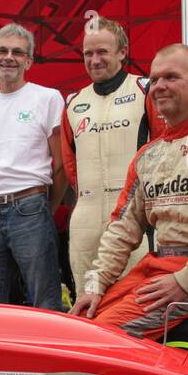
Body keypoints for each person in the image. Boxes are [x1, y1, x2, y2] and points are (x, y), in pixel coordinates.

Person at [69, 44, 188, 337]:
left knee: (97, 338)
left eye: (171, 77)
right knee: (82, 320)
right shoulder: (148, 155)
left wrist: (187, 279)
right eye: (155, 79)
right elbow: (123, 227)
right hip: (157, 267)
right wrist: (95, 284)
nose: (159, 86)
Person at [60, 18, 162, 291]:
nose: (95, 60)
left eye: (103, 51)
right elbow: (71, 165)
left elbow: (166, 148)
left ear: (122, 52)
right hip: (86, 217)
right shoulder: (73, 102)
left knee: (134, 299)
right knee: (86, 298)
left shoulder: (145, 90)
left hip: (133, 215)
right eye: (88, 53)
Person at [0, 23, 67, 310]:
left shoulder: (47, 97)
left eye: (17, 52)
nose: (8, 57)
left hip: (31, 205)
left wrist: (45, 209)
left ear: (29, 61)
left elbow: (60, 164)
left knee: (45, 301)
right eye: (1, 50)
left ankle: (49, 354)